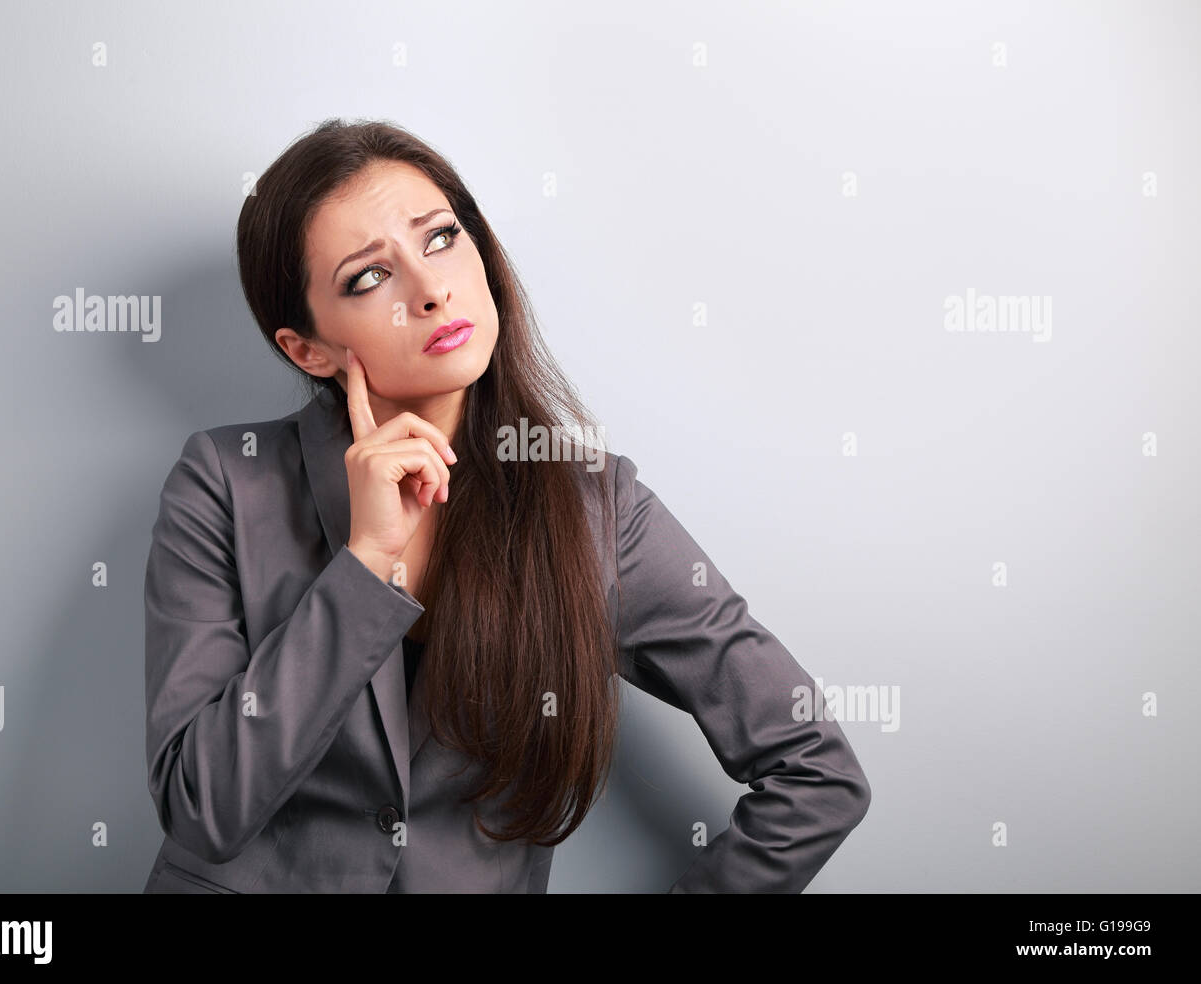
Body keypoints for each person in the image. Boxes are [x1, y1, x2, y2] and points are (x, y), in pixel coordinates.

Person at [140, 119, 871, 893]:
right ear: (308, 350)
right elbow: (202, 810)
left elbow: (817, 771)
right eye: (368, 278)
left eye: (441, 238)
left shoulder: (599, 508)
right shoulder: (224, 481)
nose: (430, 291)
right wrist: (365, 566)